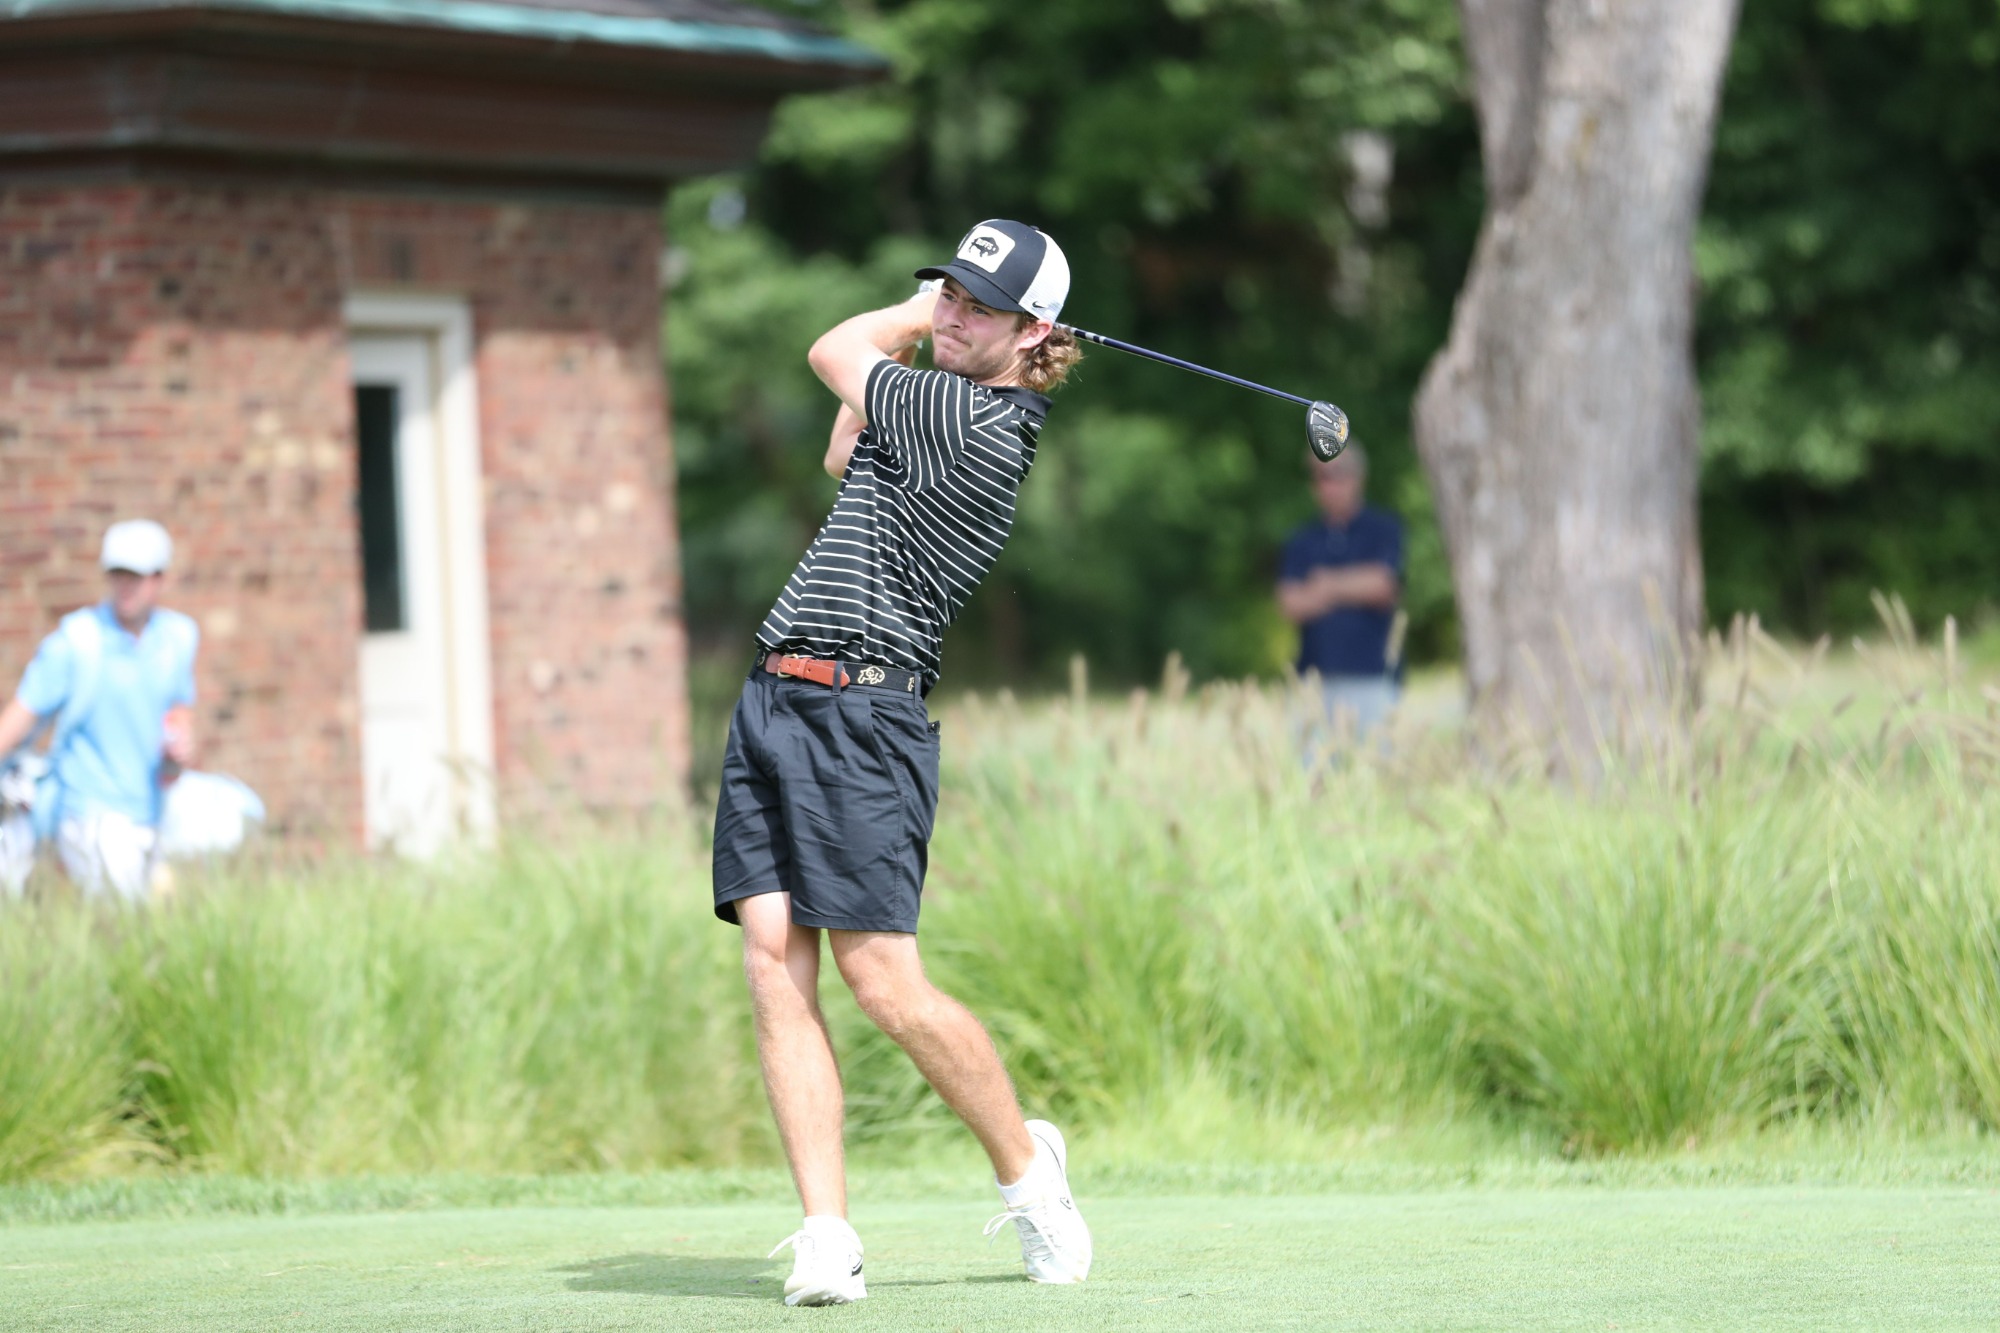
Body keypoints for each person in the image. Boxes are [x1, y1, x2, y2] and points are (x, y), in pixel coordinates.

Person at [710, 220, 1091, 1306]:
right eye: (949, 296)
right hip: (777, 697)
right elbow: (841, 446)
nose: (953, 316)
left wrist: (916, 317)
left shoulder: (981, 420)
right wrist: (939, 330)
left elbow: (834, 348)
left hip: (862, 719)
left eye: (979, 305)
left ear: (1033, 334)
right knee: (772, 960)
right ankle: (826, 1236)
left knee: (883, 981)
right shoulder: (928, 409)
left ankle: (1029, 1171)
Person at [0, 519, 199, 902]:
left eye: (136, 576)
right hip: (89, 813)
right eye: (117, 574)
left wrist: (181, 751)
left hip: (152, 812)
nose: (125, 586)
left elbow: (179, 713)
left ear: (160, 579)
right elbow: (19, 719)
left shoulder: (178, 639)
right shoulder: (76, 642)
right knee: (129, 921)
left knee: (159, 923)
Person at [1276, 445, 1404, 750]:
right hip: (1315, 679)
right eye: (1320, 477)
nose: (1329, 485)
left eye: (1337, 475)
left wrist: (1325, 584)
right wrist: (1353, 586)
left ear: (1359, 478)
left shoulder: (1382, 528)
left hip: (1372, 676)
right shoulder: (1302, 539)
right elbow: (1290, 603)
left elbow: (1383, 586)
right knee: (1314, 778)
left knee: (1377, 773)